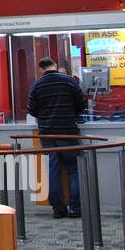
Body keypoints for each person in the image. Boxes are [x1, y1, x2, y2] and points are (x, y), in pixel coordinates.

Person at [28, 57, 86, 218]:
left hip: (47, 133)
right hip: (67, 131)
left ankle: (58, 208)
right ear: (55, 65)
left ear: (41, 69)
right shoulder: (69, 81)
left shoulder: (36, 85)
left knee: (52, 169)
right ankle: (75, 208)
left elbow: (32, 110)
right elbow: (81, 103)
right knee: (74, 169)